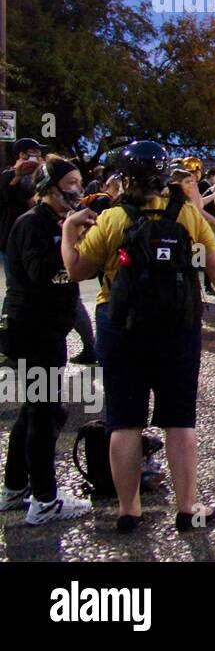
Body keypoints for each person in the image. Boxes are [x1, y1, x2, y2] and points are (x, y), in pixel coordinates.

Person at [60, 140, 215, 533]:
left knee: (124, 422)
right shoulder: (188, 215)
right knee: (179, 420)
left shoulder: (112, 220)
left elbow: (76, 270)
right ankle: (188, 508)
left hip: (120, 325)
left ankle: (129, 511)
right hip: (178, 325)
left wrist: (70, 231)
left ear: (125, 179)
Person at [0, 156, 93, 524]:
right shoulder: (32, 224)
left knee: (34, 411)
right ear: (48, 186)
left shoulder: (55, 223)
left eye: (78, 181)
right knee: (44, 413)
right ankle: (45, 500)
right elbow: (43, 274)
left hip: (46, 329)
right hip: (31, 330)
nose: (77, 188)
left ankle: (14, 487)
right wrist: (70, 240)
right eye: (70, 182)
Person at [0, 137, 47, 269]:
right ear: (22, 154)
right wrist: (18, 175)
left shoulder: (37, 177)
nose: (39, 155)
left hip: (32, 236)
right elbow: (32, 203)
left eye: (39, 152)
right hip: (11, 238)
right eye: (35, 152)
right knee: (17, 284)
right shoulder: (7, 176)